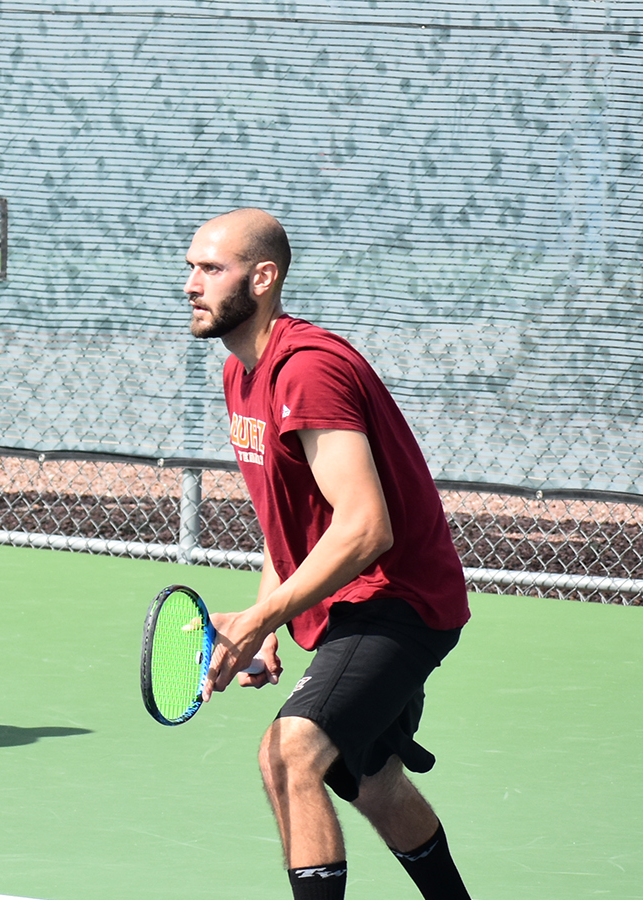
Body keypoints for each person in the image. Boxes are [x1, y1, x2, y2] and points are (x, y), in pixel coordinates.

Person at [184, 209, 472, 899]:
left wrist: (256, 620)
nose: (191, 284)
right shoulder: (240, 373)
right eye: (190, 267)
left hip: (400, 601)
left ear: (263, 277)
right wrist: (270, 622)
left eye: (210, 269)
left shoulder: (308, 370)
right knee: (369, 781)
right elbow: (292, 519)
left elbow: (366, 528)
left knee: (290, 756)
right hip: (354, 603)